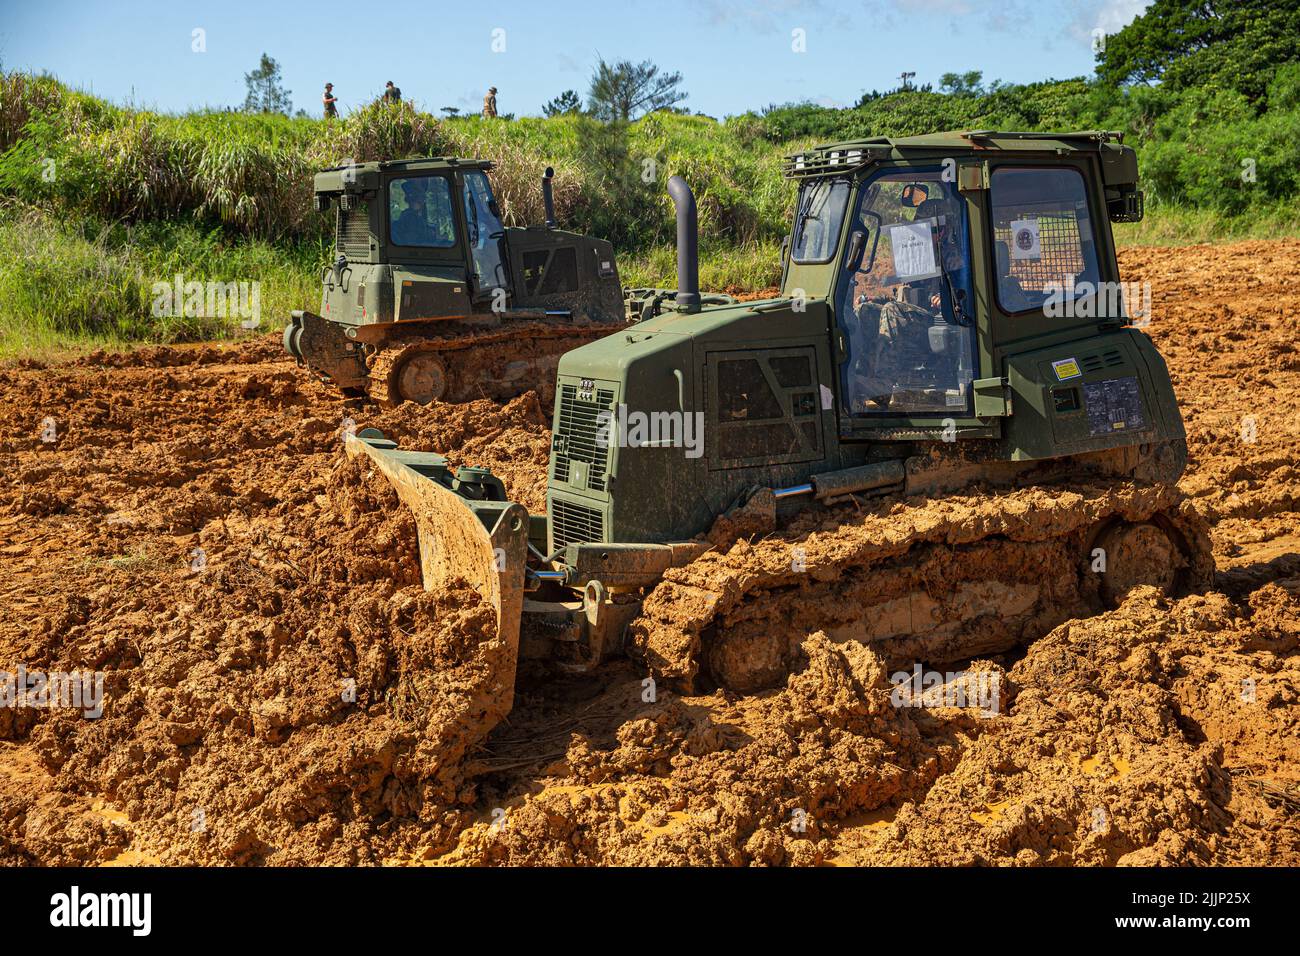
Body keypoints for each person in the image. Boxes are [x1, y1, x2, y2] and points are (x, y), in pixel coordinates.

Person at [392, 180, 428, 245]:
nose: (423, 199)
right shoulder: (410, 218)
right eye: (420, 195)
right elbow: (412, 243)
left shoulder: (415, 216)